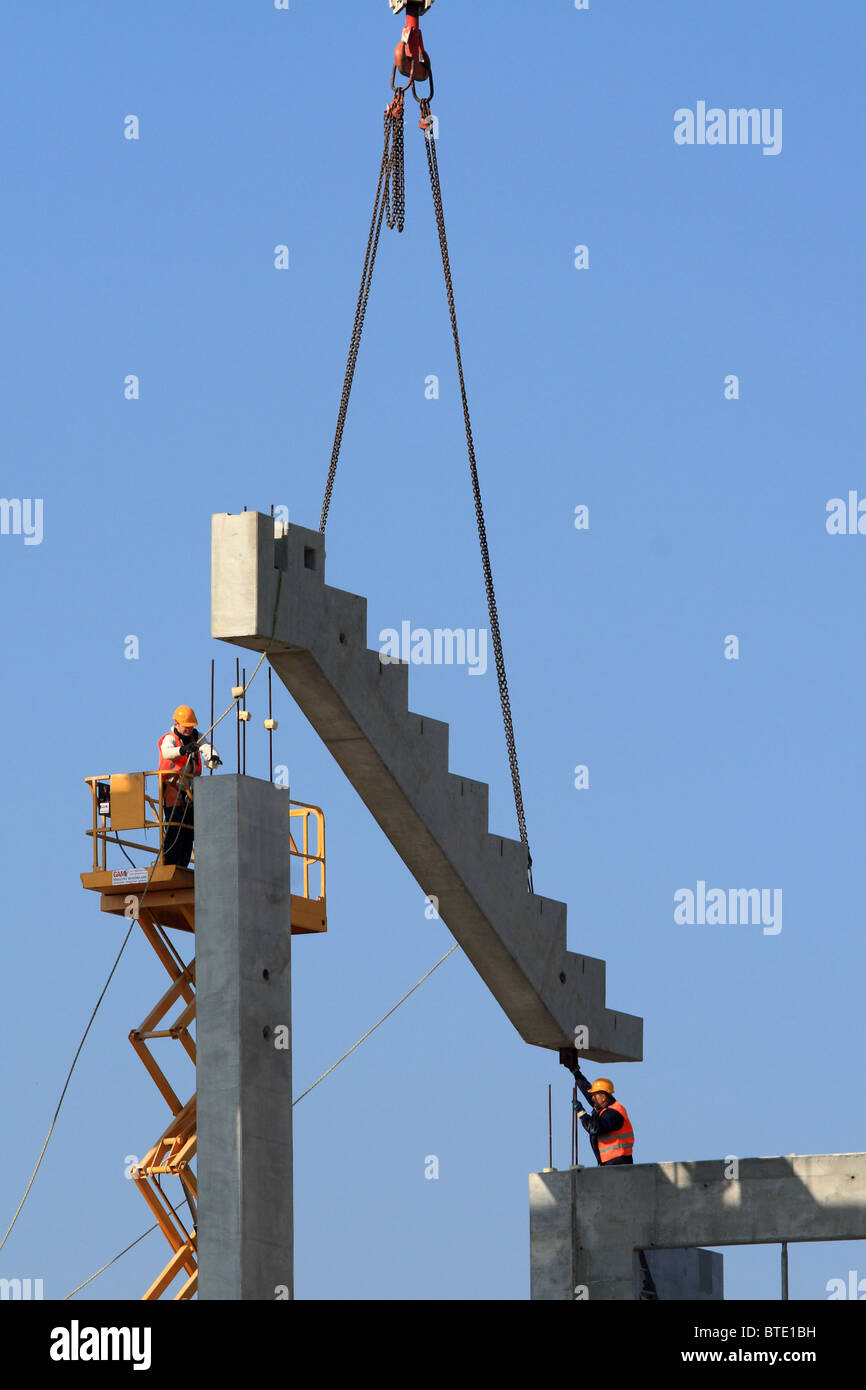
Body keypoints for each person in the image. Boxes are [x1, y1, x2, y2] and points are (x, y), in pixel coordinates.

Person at [158, 704, 220, 868]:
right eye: (186, 727)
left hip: (190, 791)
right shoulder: (169, 738)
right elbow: (167, 752)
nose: (188, 730)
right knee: (175, 825)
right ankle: (170, 864)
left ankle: (182, 864)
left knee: (189, 828)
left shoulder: (196, 736)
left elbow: (207, 746)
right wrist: (184, 749)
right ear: (177, 723)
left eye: (191, 727)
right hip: (172, 788)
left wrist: (213, 757)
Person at [570, 1065, 635, 1167]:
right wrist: (576, 1073)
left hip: (617, 1163)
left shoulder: (612, 1114)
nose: (592, 1098)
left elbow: (594, 1128)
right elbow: (588, 1092)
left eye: (595, 1095)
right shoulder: (606, 1107)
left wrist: (581, 1112)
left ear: (604, 1097)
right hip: (612, 1161)